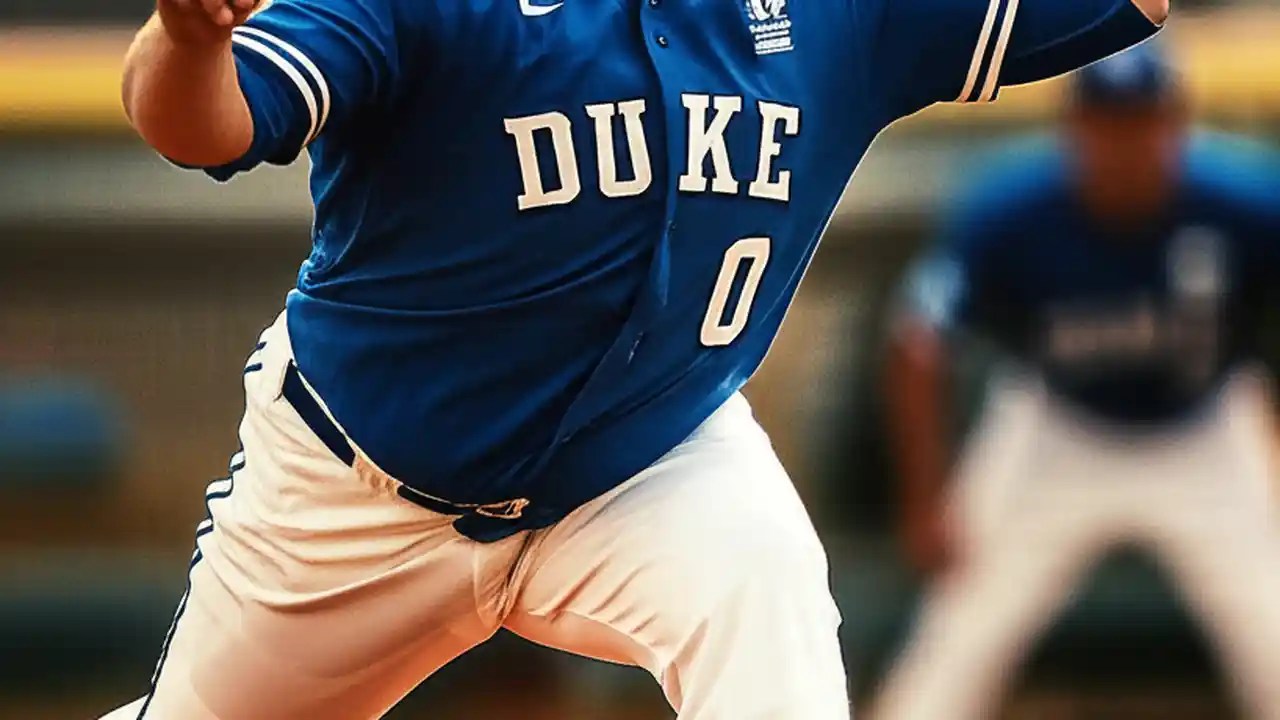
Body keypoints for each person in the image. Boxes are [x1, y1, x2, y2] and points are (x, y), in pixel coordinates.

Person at [105, 0, 1169, 716]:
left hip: (649, 460)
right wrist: (185, 35)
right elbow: (199, 125)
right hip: (353, 491)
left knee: (768, 600)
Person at [875, 45, 1280, 720]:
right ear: (1074, 130)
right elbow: (917, 340)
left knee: (1271, 630)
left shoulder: (1241, 203)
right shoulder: (1010, 212)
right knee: (959, 639)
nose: (1124, 142)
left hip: (1205, 429)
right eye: (1107, 123)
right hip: (1056, 429)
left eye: (1141, 122)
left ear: (1175, 124)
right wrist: (926, 498)